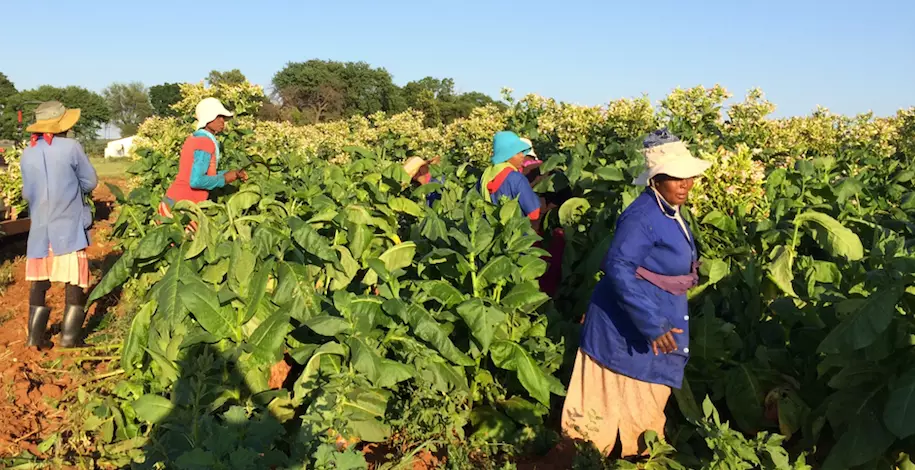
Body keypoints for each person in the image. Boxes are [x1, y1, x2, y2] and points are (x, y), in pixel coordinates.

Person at [560, 128, 711, 457]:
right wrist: (652, 325)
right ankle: (592, 459)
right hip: (632, 323)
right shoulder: (643, 217)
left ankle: (630, 458)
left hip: (653, 316)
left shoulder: (668, 210)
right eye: (676, 177)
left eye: (689, 176)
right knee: (606, 406)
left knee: (645, 403)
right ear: (655, 180)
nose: (686, 184)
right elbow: (618, 268)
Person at [20, 101, 98, 349]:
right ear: (63, 125)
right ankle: (69, 338)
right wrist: (76, 191)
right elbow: (90, 181)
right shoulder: (71, 147)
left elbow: (26, 193)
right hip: (68, 222)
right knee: (73, 279)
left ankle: (34, 338)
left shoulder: (28, 151)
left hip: (41, 226)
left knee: (40, 280)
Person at [159, 97, 248, 226]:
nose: (222, 121)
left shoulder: (196, 139)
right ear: (208, 118)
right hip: (180, 209)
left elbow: (206, 173)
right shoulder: (205, 142)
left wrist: (232, 174)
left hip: (172, 203)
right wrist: (224, 179)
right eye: (218, 117)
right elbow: (196, 181)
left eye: (223, 117)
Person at [479, 131, 542, 222]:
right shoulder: (516, 178)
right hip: (514, 233)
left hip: (492, 232)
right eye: (517, 152)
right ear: (507, 155)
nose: (522, 156)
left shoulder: (484, 176)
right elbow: (534, 214)